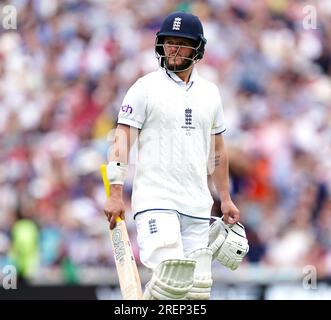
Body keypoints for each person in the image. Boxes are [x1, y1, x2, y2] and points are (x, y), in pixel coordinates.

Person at [103, 11, 249, 300]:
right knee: (171, 282)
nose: (173, 49)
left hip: (197, 204)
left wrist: (226, 198)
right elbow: (121, 140)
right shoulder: (144, 88)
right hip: (156, 201)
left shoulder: (210, 93)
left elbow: (217, 151)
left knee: (196, 292)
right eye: (169, 42)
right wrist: (116, 192)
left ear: (198, 49)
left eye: (182, 43)